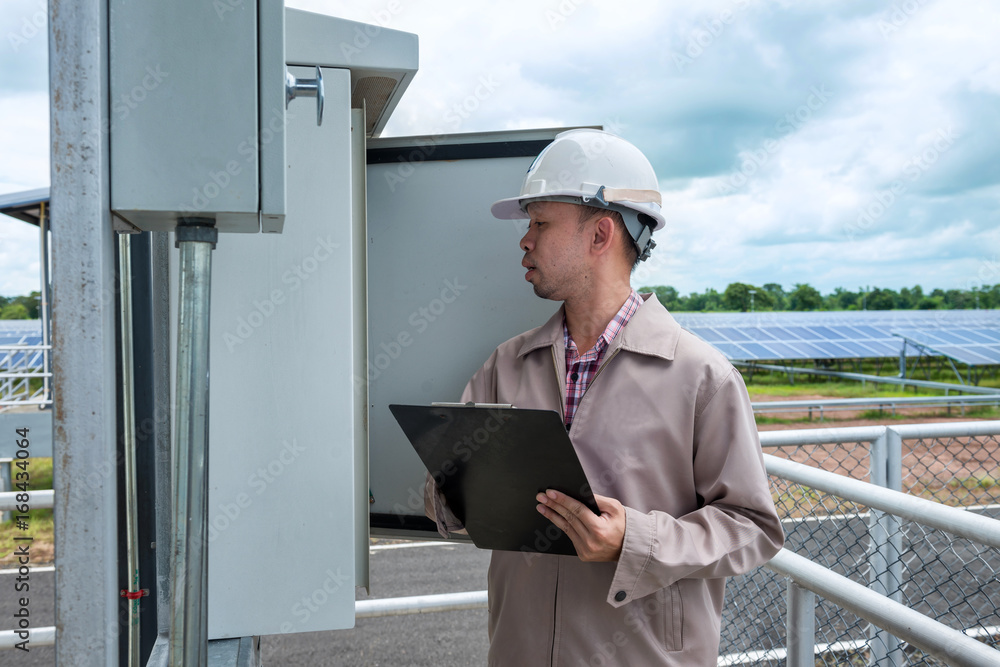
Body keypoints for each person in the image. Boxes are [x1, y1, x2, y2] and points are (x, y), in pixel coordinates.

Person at [425, 129, 784, 666]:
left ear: (600, 235)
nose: (524, 240)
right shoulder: (505, 365)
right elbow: (449, 498)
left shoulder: (701, 377)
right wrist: (451, 494)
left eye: (540, 223)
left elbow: (752, 528)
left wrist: (632, 541)